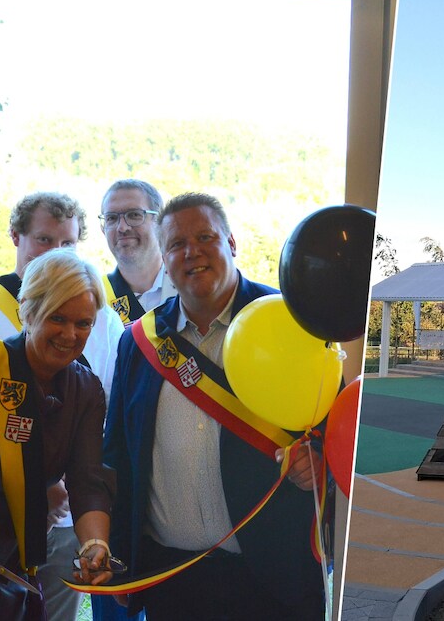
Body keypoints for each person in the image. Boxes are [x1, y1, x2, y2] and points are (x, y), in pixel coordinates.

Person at [104, 192, 325, 619]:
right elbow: (117, 456)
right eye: (176, 244)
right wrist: (119, 554)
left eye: (205, 237)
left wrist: (318, 461)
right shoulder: (139, 342)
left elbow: (333, 427)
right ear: (164, 259)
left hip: (274, 579)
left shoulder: (289, 321)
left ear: (232, 243)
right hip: (172, 579)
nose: (192, 252)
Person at [0, 191, 125, 621]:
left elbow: (93, 459)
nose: (70, 334)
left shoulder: (92, 366)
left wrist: (94, 540)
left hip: (52, 534)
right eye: (57, 318)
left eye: (83, 323)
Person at [99, 179, 176, 325]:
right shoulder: (95, 297)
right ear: (103, 229)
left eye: (134, 215)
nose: (122, 228)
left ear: (160, 222)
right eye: (112, 218)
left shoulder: (189, 287)